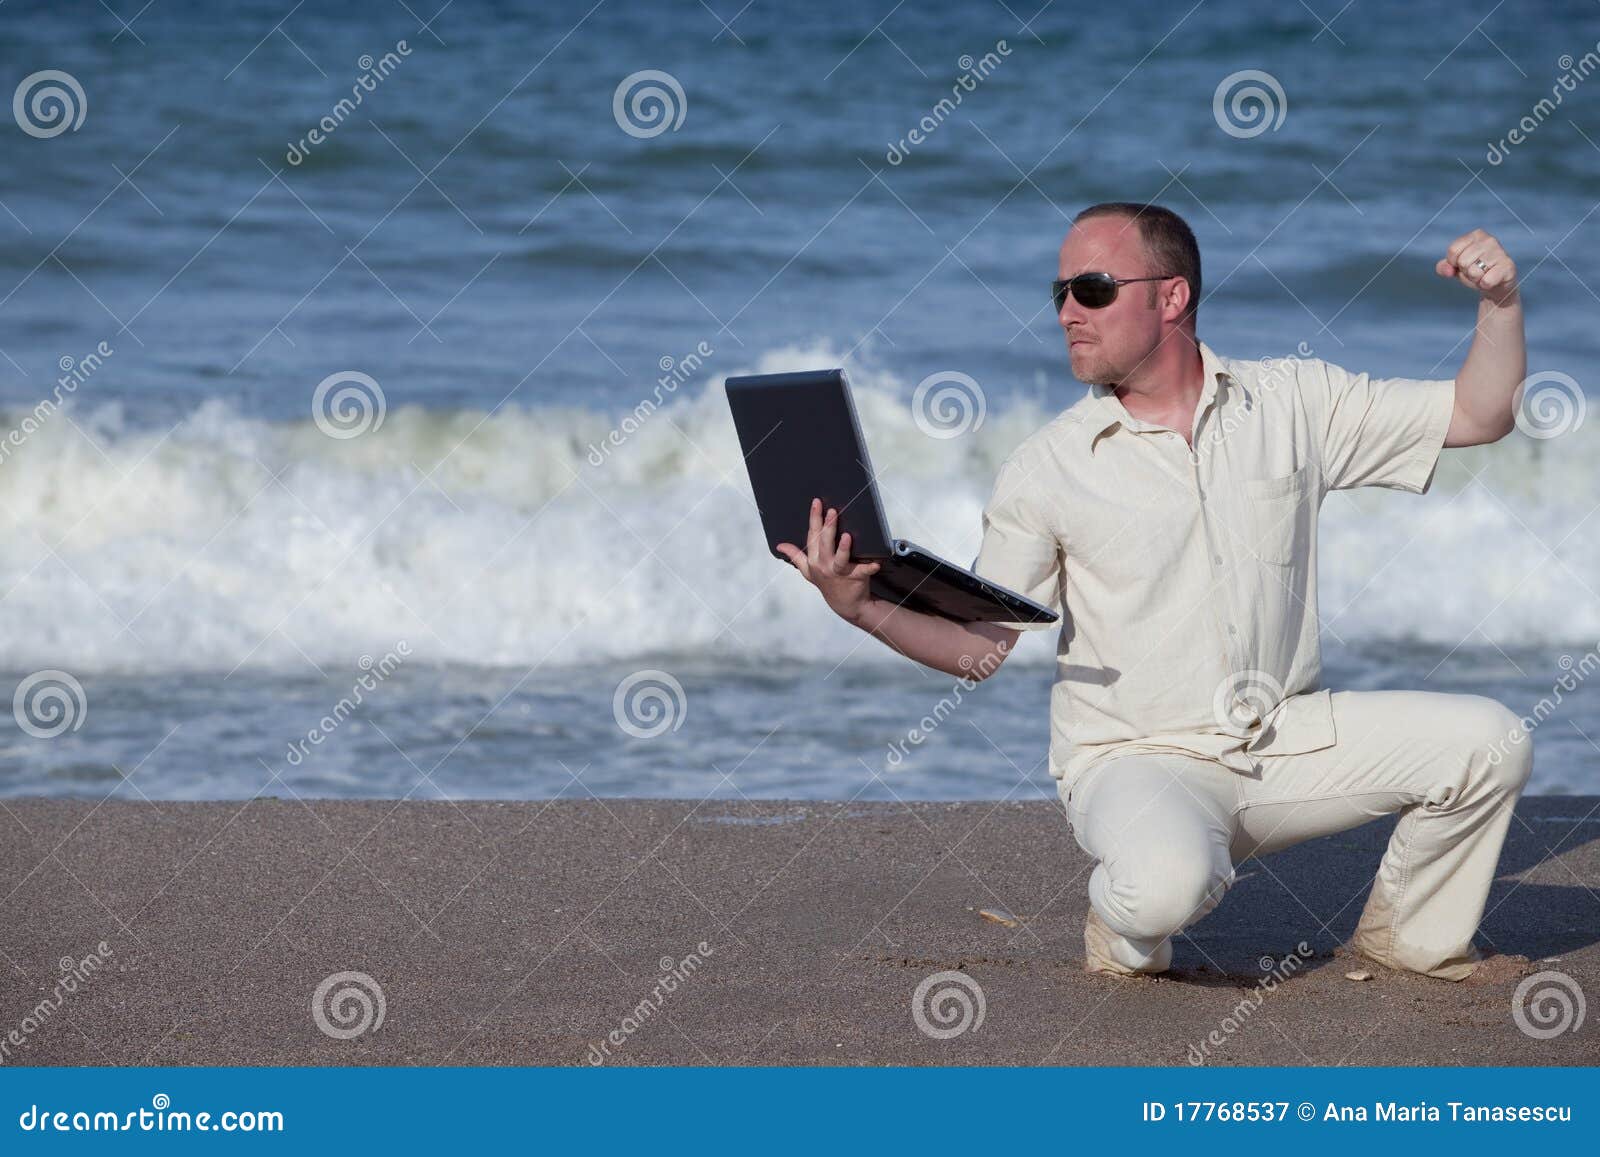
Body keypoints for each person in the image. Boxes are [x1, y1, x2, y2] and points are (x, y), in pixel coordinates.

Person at [776, 202, 1532, 981]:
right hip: (1135, 760)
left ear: (1171, 298)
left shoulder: (1294, 401)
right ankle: (1123, 924)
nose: (1068, 310)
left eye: (1093, 288)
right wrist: (862, 605)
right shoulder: (1048, 466)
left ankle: (1409, 938)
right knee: (1168, 887)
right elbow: (981, 646)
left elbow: (1479, 412)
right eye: (1060, 292)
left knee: (1491, 741)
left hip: (1282, 740)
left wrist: (1500, 304)